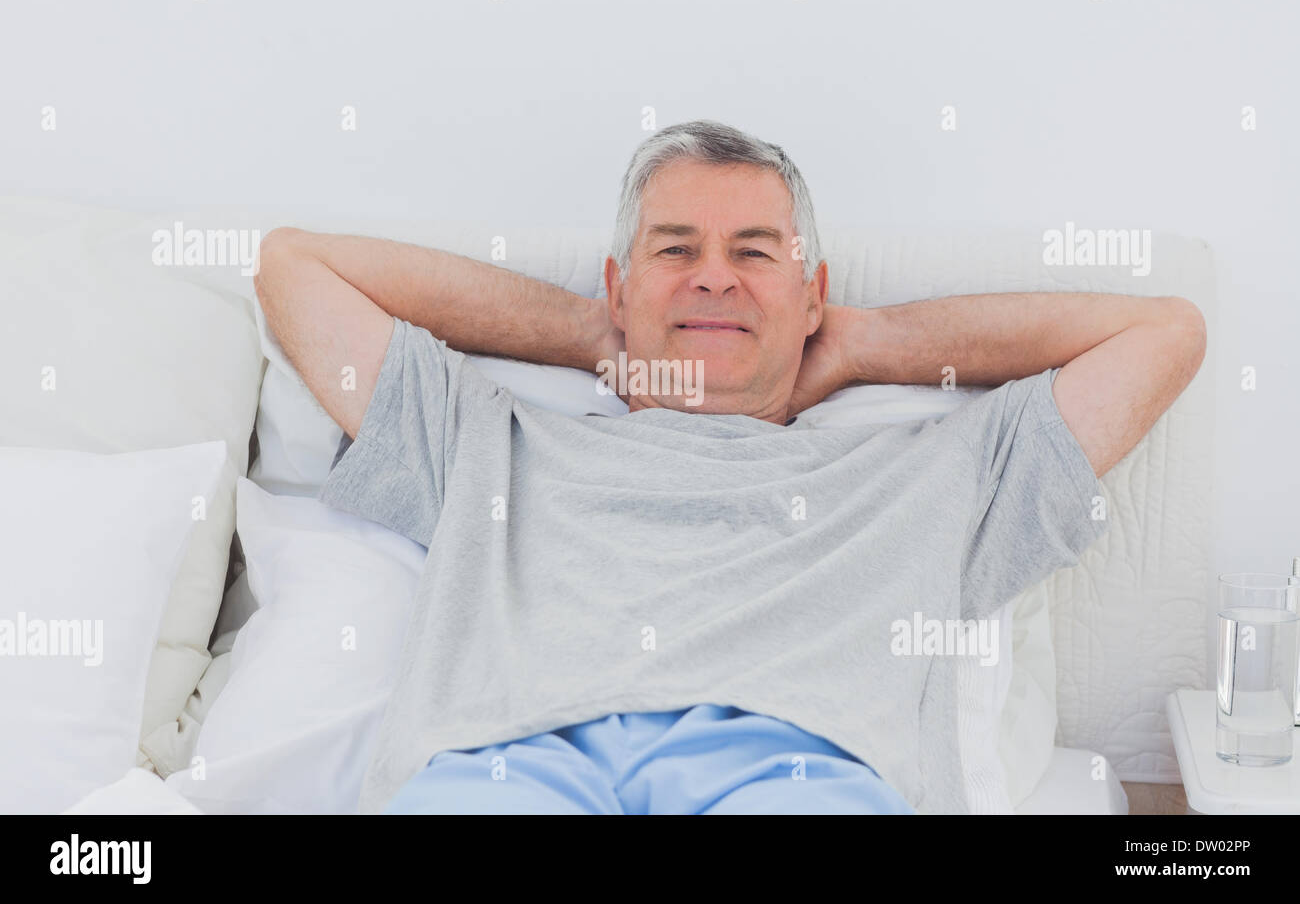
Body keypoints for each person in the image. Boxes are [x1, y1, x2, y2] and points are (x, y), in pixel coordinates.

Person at [254, 119, 1205, 814]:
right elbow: (293, 269)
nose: (715, 277)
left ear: (811, 295)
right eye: (677, 252)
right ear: (618, 286)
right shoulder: (485, 438)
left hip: (797, 776)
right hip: (506, 767)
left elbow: (1163, 333)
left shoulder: (929, 473)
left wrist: (865, 342)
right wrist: (597, 335)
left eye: (755, 254)